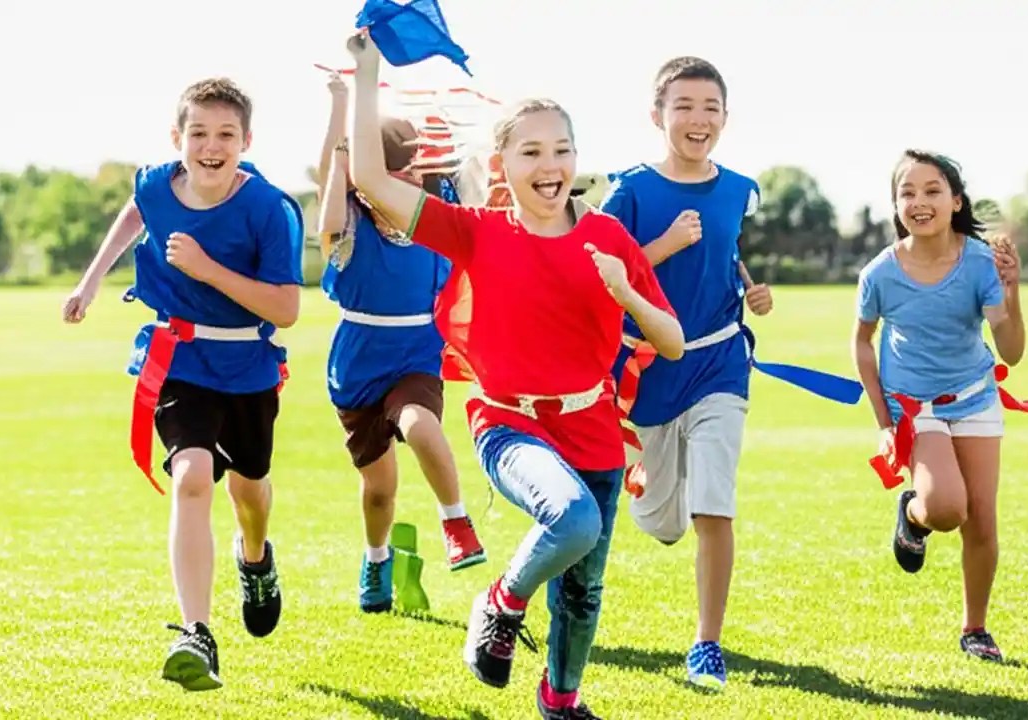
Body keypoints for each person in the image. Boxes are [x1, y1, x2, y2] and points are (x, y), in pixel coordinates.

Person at [346, 29, 684, 720]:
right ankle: (500, 604)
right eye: (530, 151)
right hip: (510, 422)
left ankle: (561, 700)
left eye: (561, 149)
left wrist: (629, 296)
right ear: (502, 162)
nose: (549, 164)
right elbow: (371, 181)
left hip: (591, 422)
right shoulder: (478, 231)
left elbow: (672, 342)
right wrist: (366, 74)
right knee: (571, 518)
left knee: (584, 590)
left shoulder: (609, 239)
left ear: (576, 160)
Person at [62, 77, 304, 691]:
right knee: (192, 477)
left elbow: (285, 309)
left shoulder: (268, 209)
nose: (211, 146)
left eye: (226, 134)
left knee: (251, 491)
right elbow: (135, 210)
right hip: (179, 359)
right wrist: (91, 281)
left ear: (247, 141)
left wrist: (205, 268)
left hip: (247, 365)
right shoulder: (155, 182)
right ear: (178, 138)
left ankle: (257, 560)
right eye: (199, 133)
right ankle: (197, 632)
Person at [599, 55, 771, 690]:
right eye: (685, 107)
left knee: (714, 504)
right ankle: (646, 497)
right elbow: (600, 276)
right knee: (664, 522)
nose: (699, 120)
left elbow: (725, 251)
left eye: (711, 108)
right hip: (649, 375)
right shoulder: (631, 191)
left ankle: (707, 645)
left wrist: (751, 289)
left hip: (721, 363)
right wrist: (663, 246)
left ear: (726, 117)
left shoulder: (739, 188)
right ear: (657, 115)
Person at [314, 70, 486, 614]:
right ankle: (377, 557)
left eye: (416, 171)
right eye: (396, 171)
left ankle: (455, 520)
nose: (409, 180)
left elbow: (477, 181)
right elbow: (328, 185)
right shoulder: (350, 225)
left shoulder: (437, 218)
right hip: (359, 364)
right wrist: (341, 114)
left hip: (417, 354)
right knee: (379, 489)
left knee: (420, 422)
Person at [853, 150, 1025, 663]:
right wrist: (885, 421)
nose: (919, 202)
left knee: (982, 522)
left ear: (955, 201)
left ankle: (975, 629)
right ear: (896, 204)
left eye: (932, 191)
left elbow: (1011, 351)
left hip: (974, 395)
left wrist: (1013, 293)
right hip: (914, 404)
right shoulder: (880, 273)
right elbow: (862, 343)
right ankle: (914, 511)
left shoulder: (981, 262)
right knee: (948, 507)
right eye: (907, 192)